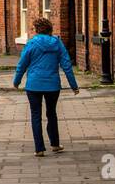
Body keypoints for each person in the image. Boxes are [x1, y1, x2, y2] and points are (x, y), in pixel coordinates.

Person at [13, 16, 79, 155]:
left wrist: (16, 81)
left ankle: (39, 149)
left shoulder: (31, 44)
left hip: (33, 85)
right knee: (51, 114)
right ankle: (55, 144)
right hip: (52, 85)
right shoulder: (57, 43)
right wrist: (74, 85)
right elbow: (66, 65)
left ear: (36, 30)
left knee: (36, 115)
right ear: (50, 29)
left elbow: (22, 65)